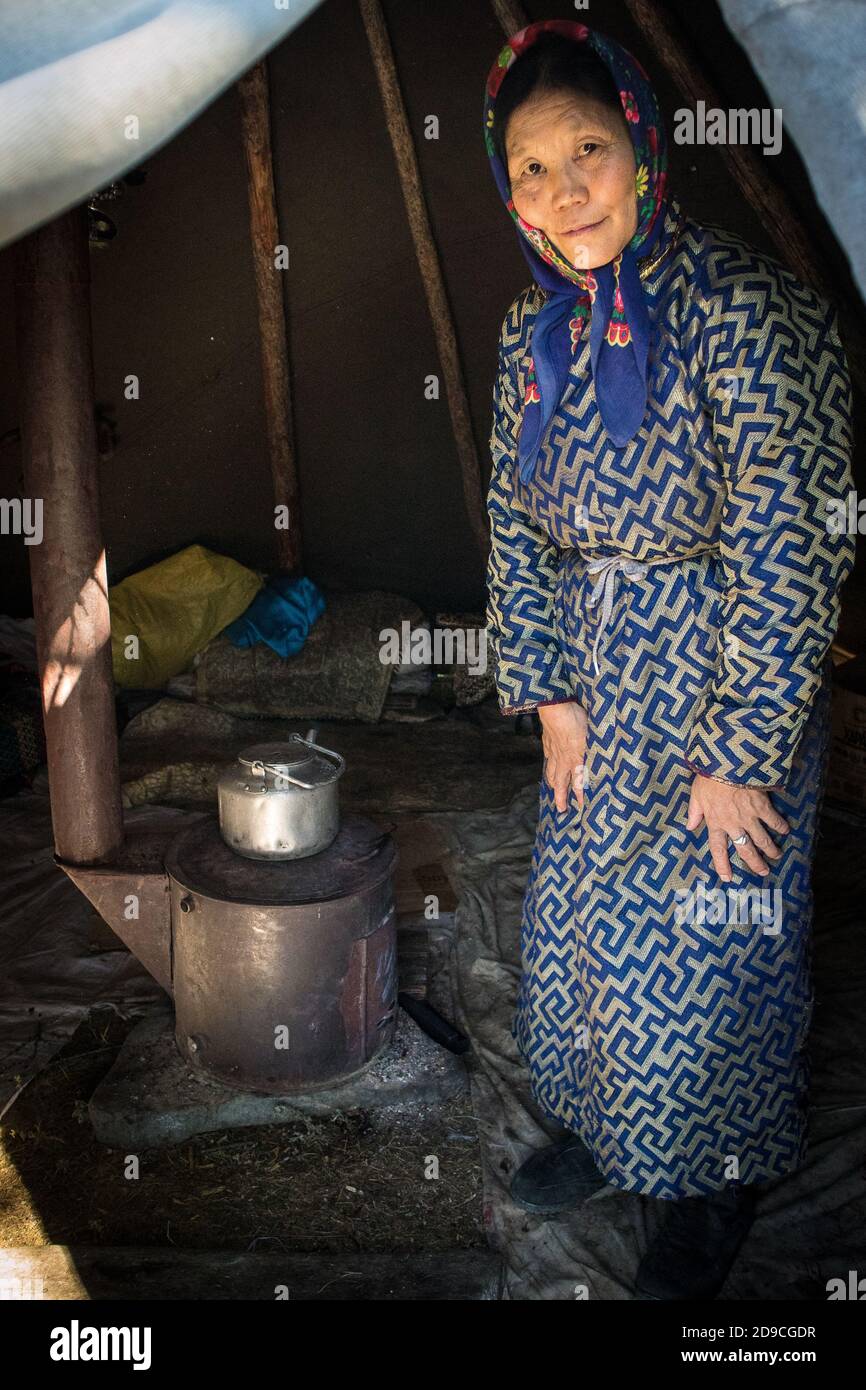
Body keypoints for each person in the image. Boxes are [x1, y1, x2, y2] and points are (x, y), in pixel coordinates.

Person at [483, 18, 855, 1300]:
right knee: (587, 927)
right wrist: (544, 695)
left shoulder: (746, 313)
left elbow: (789, 540)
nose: (561, 189)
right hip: (594, 683)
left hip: (716, 671)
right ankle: (610, 1131)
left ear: (641, 147)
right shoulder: (531, 344)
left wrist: (741, 754)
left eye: (586, 148)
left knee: (714, 936)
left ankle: (714, 1178)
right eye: (530, 167)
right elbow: (514, 532)